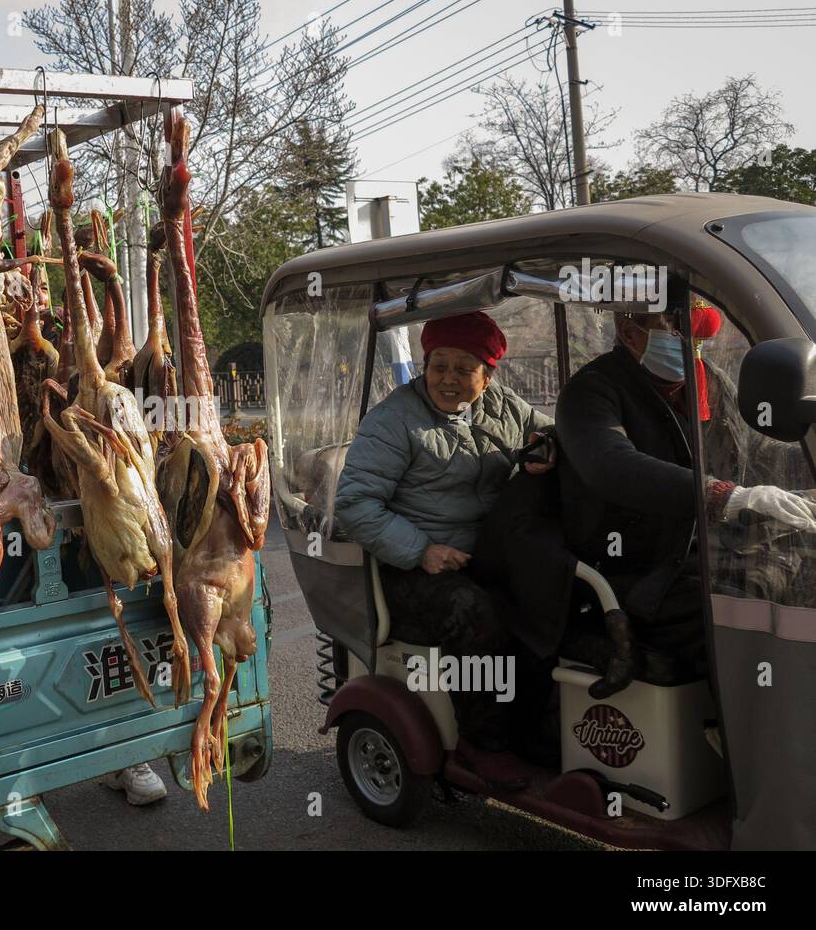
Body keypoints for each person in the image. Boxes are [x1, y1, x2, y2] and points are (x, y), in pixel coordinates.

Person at [0, 404, 170, 806]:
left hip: (67, 530)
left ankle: (128, 754)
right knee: (6, 668)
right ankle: (11, 770)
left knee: (96, 637)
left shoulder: (52, 389)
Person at [335, 311, 555, 789]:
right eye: (439, 366)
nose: (448, 379)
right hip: (409, 568)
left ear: (488, 375)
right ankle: (482, 744)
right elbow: (354, 504)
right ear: (424, 366)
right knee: (475, 613)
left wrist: (549, 449)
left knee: (552, 598)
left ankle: (534, 732)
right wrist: (421, 550)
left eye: (463, 368)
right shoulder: (394, 420)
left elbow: (551, 432)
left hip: (486, 554)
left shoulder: (504, 407)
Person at [554, 301, 816, 672]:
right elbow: (611, 466)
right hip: (643, 572)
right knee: (749, 618)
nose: (693, 344)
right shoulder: (591, 391)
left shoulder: (708, 381)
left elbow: (754, 448)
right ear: (630, 333)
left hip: (713, 552)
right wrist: (723, 496)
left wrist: (808, 461)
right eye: (676, 328)